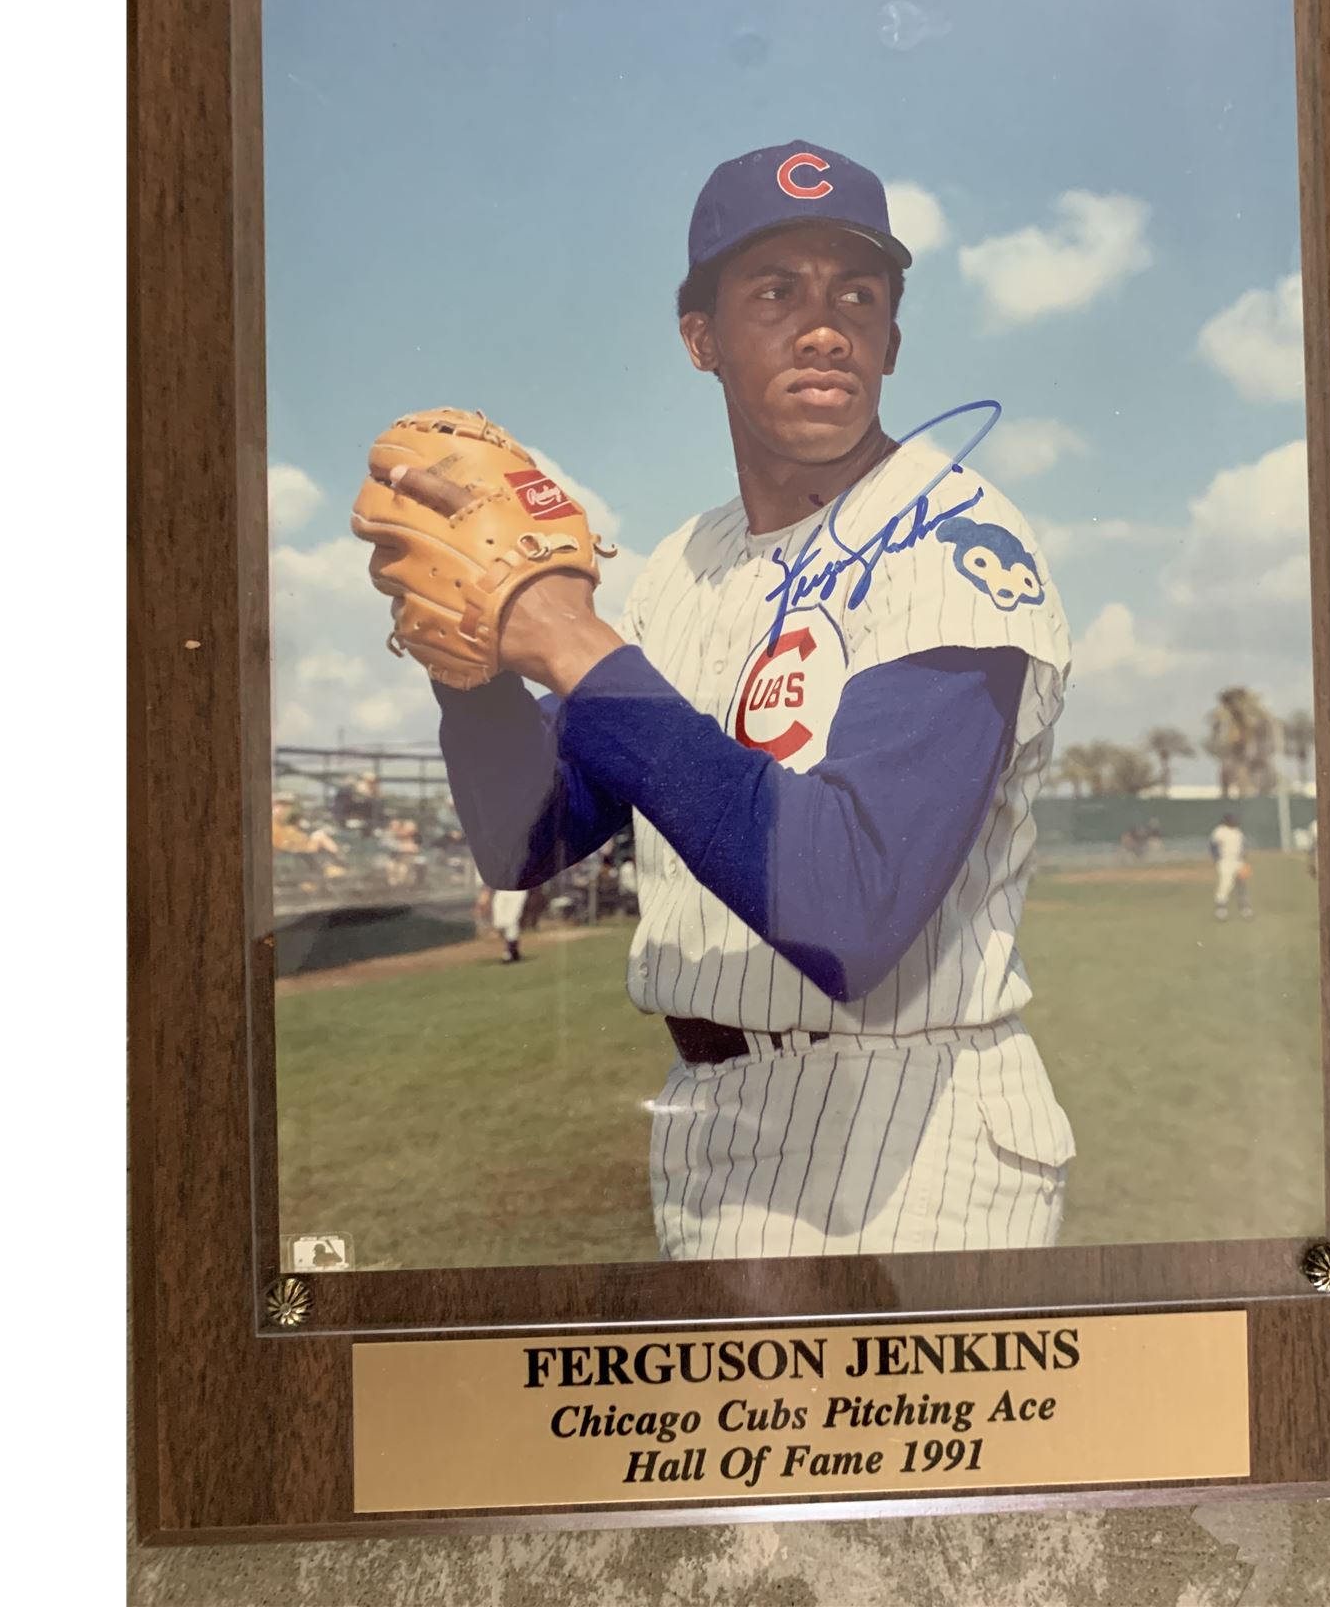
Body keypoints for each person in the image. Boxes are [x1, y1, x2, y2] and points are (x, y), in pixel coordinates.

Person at [423, 139, 1075, 1259]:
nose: (824, 325)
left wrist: (573, 641)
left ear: (892, 341)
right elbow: (523, 839)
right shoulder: (684, 567)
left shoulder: (950, 538)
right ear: (701, 340)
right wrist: (468, 660)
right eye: (776, 291)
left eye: (856, 295)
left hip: (911, 1134)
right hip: (710, 1122)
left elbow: (852, 907)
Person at [1208, 811, 1252, 921]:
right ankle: (1221, 909)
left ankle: (1244, 908)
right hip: (1225, 861)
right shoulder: (1220, 831)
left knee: (1242, 884)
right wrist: (1216, 857)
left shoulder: (1238, 832)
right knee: (1226, 884)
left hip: (1238, 861)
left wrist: (1244, 856)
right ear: (1226, 821)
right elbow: (1213, 844)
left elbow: (1242, 846)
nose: (1235, 821)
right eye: (1232, 819)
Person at [489, 885, 528, 963]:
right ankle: (514, 951)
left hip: (518, 890)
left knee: (511, 920)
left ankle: (508, 952)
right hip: (502, 890)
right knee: (499, 921)